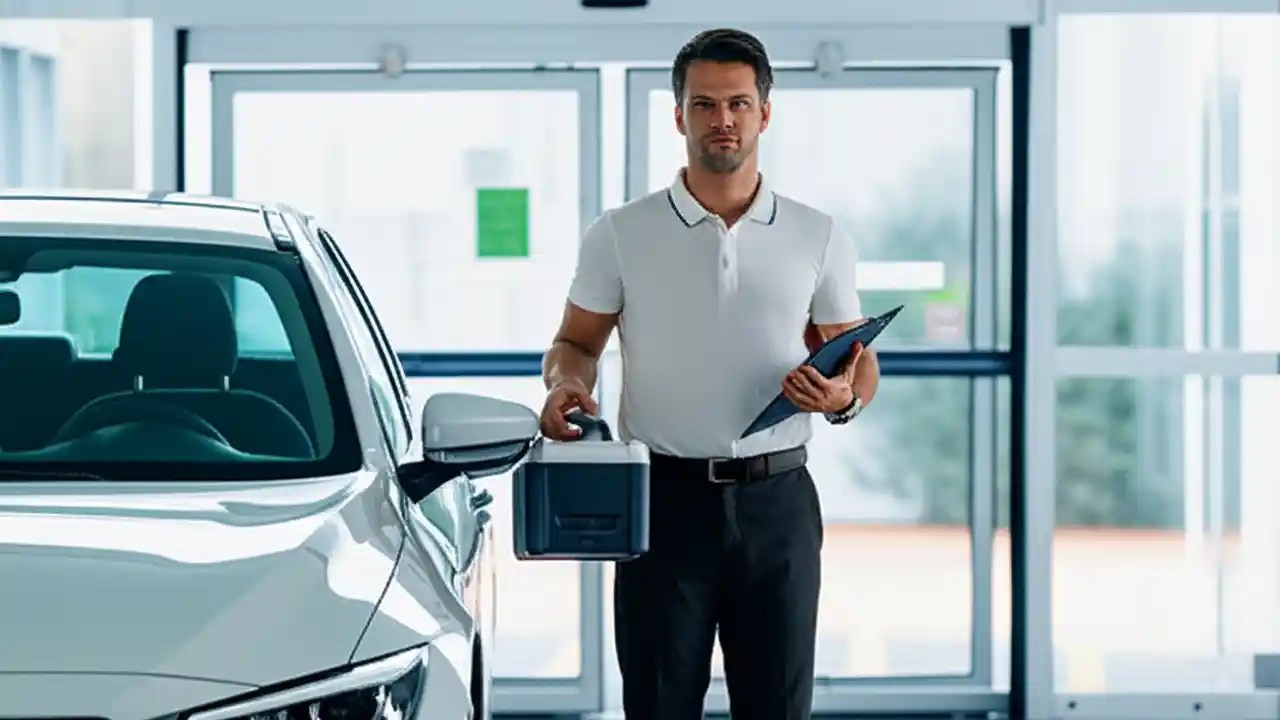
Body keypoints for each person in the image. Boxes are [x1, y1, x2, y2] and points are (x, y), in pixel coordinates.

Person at [538, 27, 880, 720]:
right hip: (662, 503)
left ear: (764, 113)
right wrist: (566, 383)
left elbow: (857, 359)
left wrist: (842, 396)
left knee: (777, 707)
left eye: (738, 103)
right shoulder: (621, 233)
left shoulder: (816, 233)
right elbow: (575, 342)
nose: (722, 119)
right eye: (704, 104)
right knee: (658, 705)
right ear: (679, 116)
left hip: (777, 504)